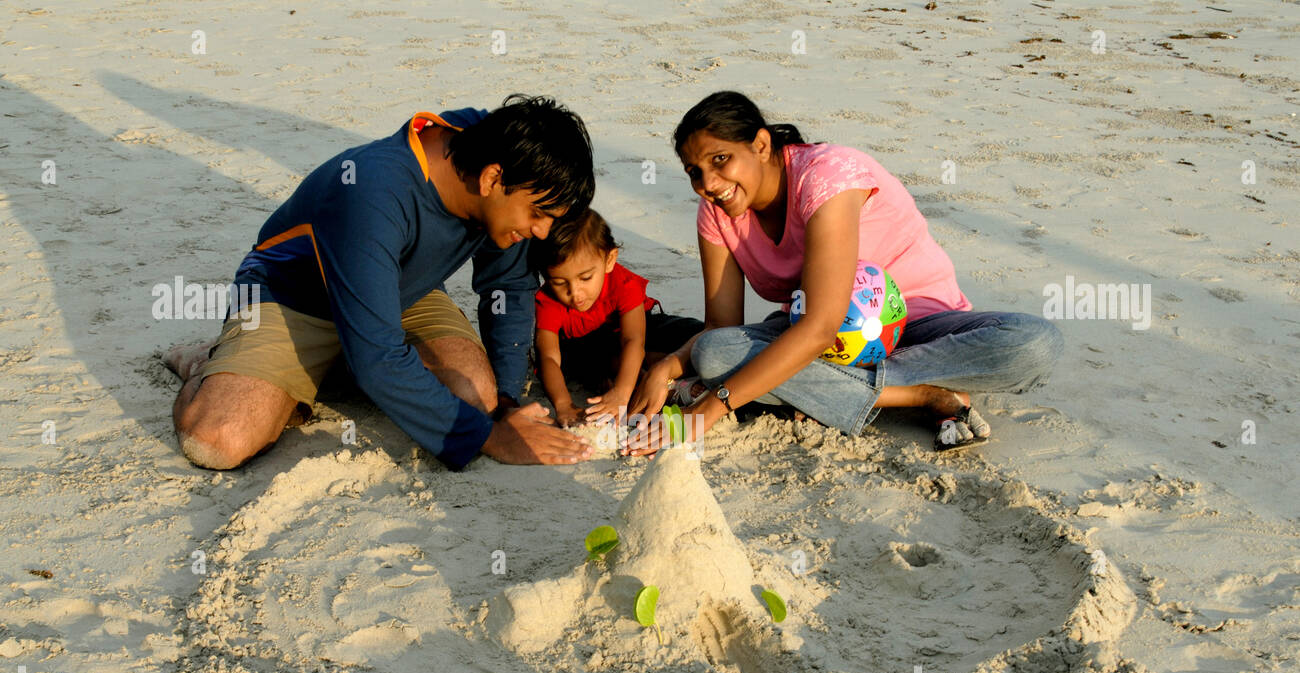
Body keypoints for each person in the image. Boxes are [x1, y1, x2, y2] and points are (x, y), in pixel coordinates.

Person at [164, 95, 597, 470]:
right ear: (491, 180)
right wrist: (492, 439)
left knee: (476, 400)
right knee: (219, 440)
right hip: (292, 295)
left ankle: (335, 367)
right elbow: (378, 358)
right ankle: (211, 365)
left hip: (402, 287)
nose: (542, 232)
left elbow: (509, 285)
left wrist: (503, 406)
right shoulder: (374, 190)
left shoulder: (502, 154)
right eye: (538, 215)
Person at [625, 91, 1063, 454]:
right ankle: (922, 394)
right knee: (715, 353)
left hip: (919, 326)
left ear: (760, 145)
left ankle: (832, 392)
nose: (709, 183)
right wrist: (669, 365)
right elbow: (722, 326)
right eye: (694, 172)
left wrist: (711, 407)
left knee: (1036, 342)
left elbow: (819, 326)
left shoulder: (826, 177)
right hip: (825, 345)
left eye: (721, 160)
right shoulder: (715, 213)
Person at [531, 208, 704, 426]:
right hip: (584, 348)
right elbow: (548, 357)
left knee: (692, 332)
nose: (575, 293)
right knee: (595, 360)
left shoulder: (623, 284)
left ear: (610, 259)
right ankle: (668, 390)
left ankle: (658, 373)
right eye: (559, 282)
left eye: (585, 278)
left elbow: (633, 340)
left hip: (634, 330)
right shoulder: (548, 300)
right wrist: (564, 404)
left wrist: (621, 393)